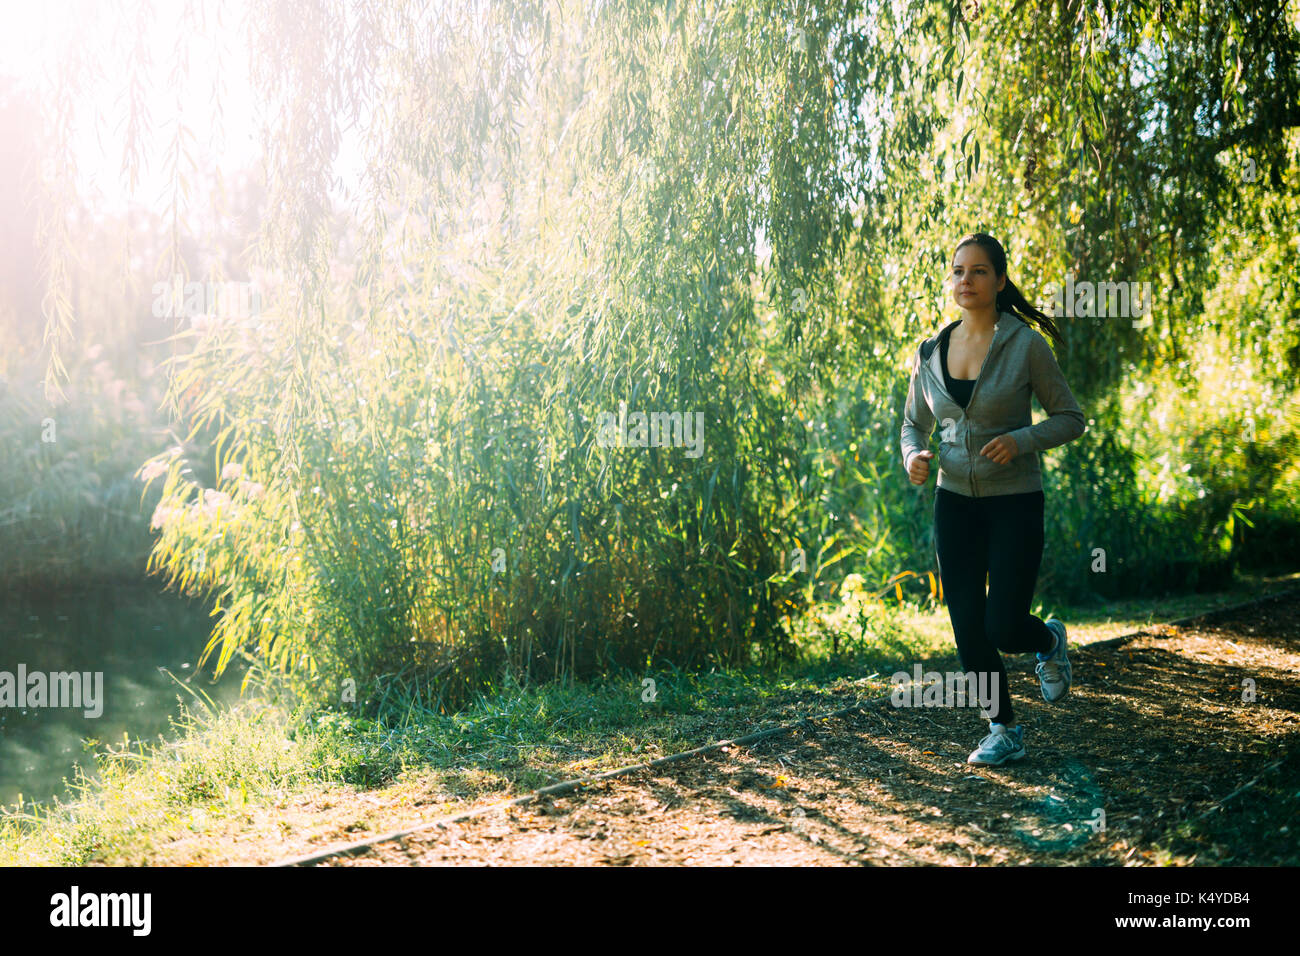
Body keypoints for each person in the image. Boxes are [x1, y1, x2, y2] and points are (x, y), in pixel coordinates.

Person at [899, 233, 1087, 766]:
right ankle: (1002, 728)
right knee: (967, 626)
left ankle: (1047, 642)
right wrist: (912, 457)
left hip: (1015, 500)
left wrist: (1022, 439)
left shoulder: (1025, 345)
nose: (966, 280)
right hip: (953, 501)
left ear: (1000, 280)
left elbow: (1070, 419)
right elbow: (913, 424)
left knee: (1003, 625)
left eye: (979, 271)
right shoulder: (931, 351)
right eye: (958, 271)